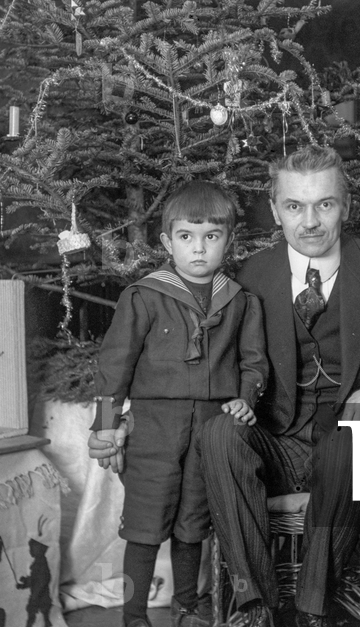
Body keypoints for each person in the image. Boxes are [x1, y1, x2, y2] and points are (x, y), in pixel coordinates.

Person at [91, 145, 360, 627]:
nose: (309, 221)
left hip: (352, 436)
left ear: (347, 206)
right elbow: (157, 367)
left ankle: (315, 606)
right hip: (276, 437)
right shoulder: (245, 277)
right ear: (275, 210)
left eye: (325, 204)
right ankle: (256, 605)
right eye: (294, 206)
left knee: (350, 444)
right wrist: (119, 421)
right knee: (220, 433)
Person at [88, 181, 269, 627]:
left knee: (194, 523)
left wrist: (246, 399)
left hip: (211, 426)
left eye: (212, 236)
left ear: (229, 241)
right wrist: (107, 425)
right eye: (187, 237)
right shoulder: (145, 295)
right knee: (146, 525)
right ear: (168, 242)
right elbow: (115, 364)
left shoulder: (241, 301)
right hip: (154, 426)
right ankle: (134, 616)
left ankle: (189, 608)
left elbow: (254, 362)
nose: (200, 249)